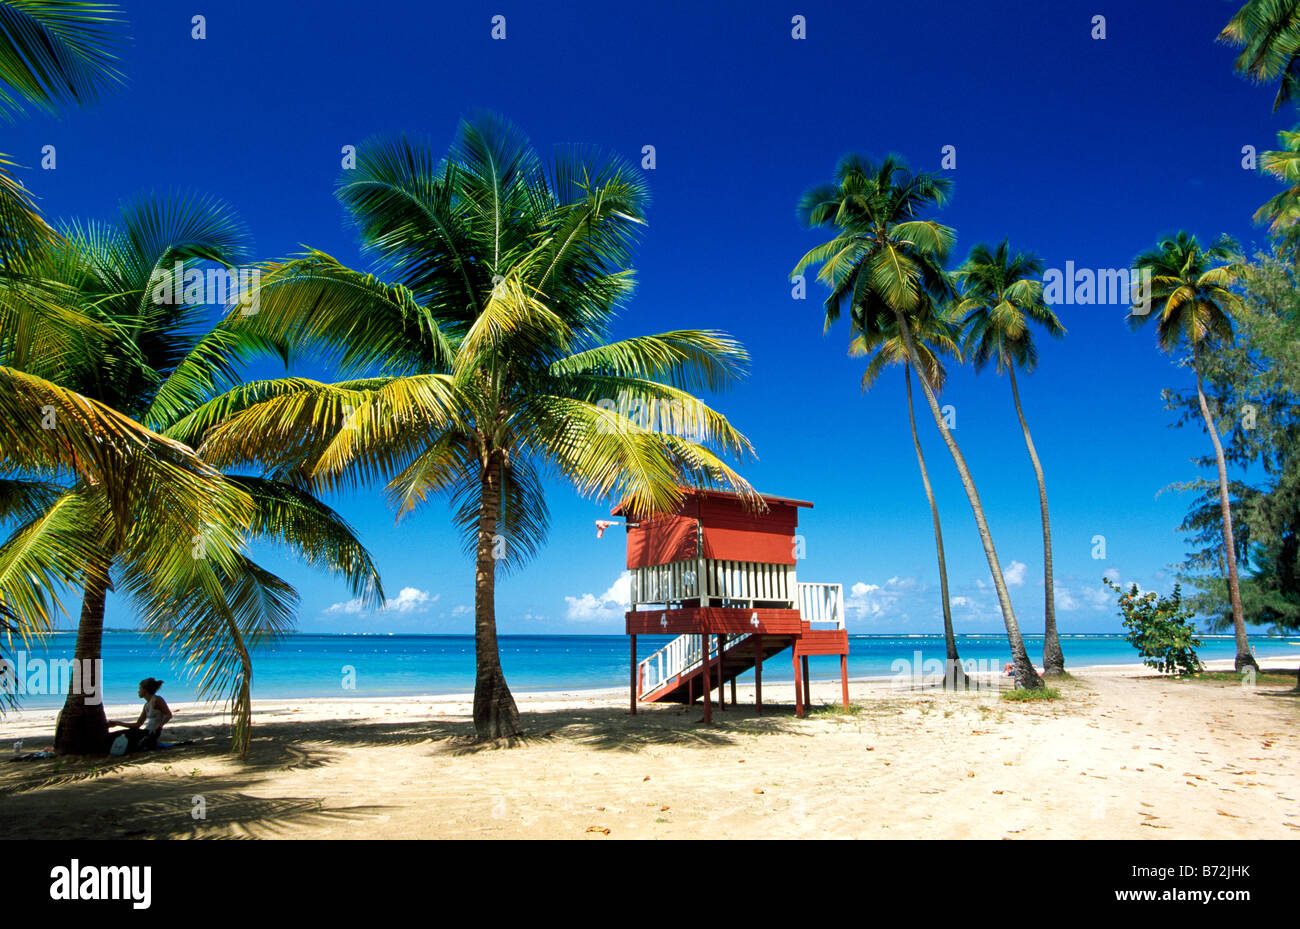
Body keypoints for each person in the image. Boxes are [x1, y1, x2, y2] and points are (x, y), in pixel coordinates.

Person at [108, 678, 173, 753]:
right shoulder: (146, 705)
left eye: (140, 688)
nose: (138, 691)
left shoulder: (157, 699)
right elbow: (138, 724)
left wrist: (160, 726)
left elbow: (168, 714)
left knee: (127, 734)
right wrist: (117, 723)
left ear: (145, 690)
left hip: (152, 734)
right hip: (145, 732)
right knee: (122, 733)